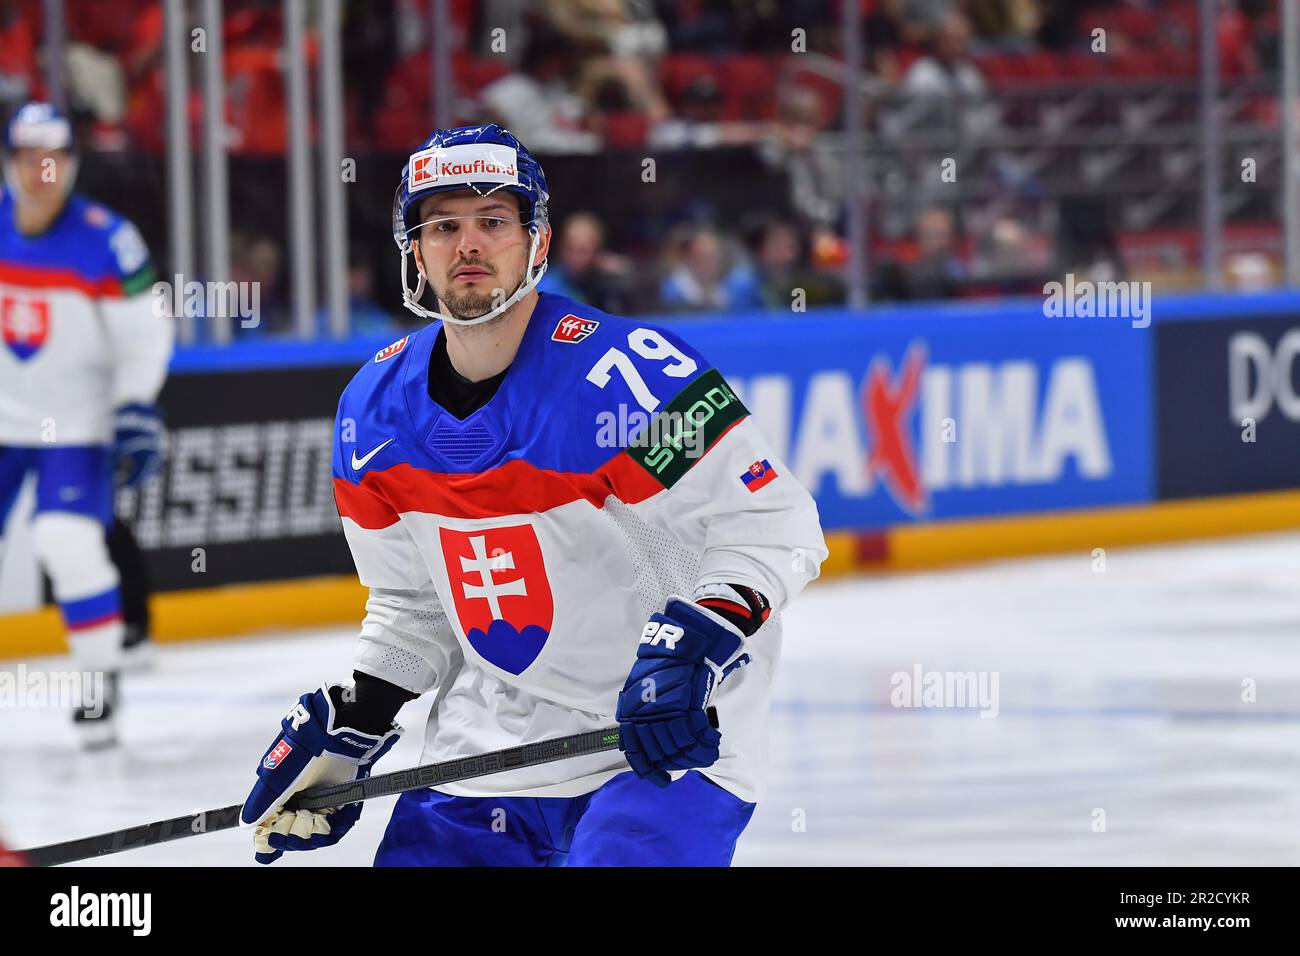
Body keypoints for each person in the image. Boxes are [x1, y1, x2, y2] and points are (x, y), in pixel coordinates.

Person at [239, 123, 827, 866]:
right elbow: (416, 604)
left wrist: (697, 645)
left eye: (493, 222)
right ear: (414, 250)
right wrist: (360, 716)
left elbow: (775, 524)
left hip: (662, 739)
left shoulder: (632, 379)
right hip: (492, 745)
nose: (468, 245)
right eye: (443, 225)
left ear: (536, 243)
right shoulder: (372, 413)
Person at [0, 102, 172, 747]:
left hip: (75, 426)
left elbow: (145, 333)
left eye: (53, 159)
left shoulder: (108, 239)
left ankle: (99, 678)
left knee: (67, 542)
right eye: (26, 157)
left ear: (70, 163)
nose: (40, 172)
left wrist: (135, 404)